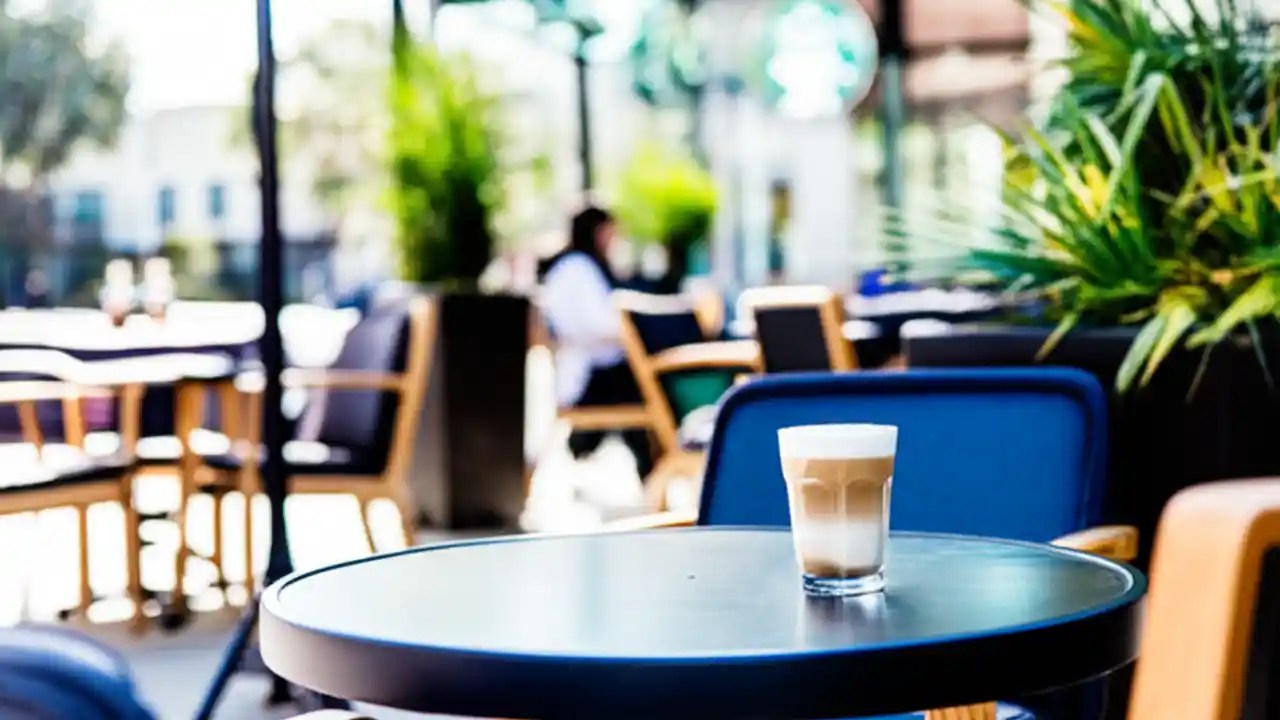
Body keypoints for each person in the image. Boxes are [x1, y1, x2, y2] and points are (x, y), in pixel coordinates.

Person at [539, 206, 652, 477]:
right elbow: (599, 326)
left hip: (594, 372)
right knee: (651, 389)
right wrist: (639, 325)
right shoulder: (577, 269)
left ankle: (648, 466)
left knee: (643, 387)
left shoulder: (575, 267)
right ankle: (655, 468)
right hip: (590, 377)